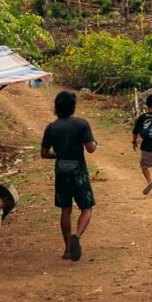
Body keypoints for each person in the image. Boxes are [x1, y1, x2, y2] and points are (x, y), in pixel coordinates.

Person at [40, 90, 96, 261]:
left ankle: (67, 249)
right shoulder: (81, 124)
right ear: (73, 106)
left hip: (61, 172)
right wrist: (94, 143)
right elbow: (91, 148)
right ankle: (77, 236)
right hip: (78, 171)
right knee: (86, 208)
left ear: (57, 107)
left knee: (66, 210)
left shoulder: (52, 127)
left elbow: (43, 153)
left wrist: (58, 156)